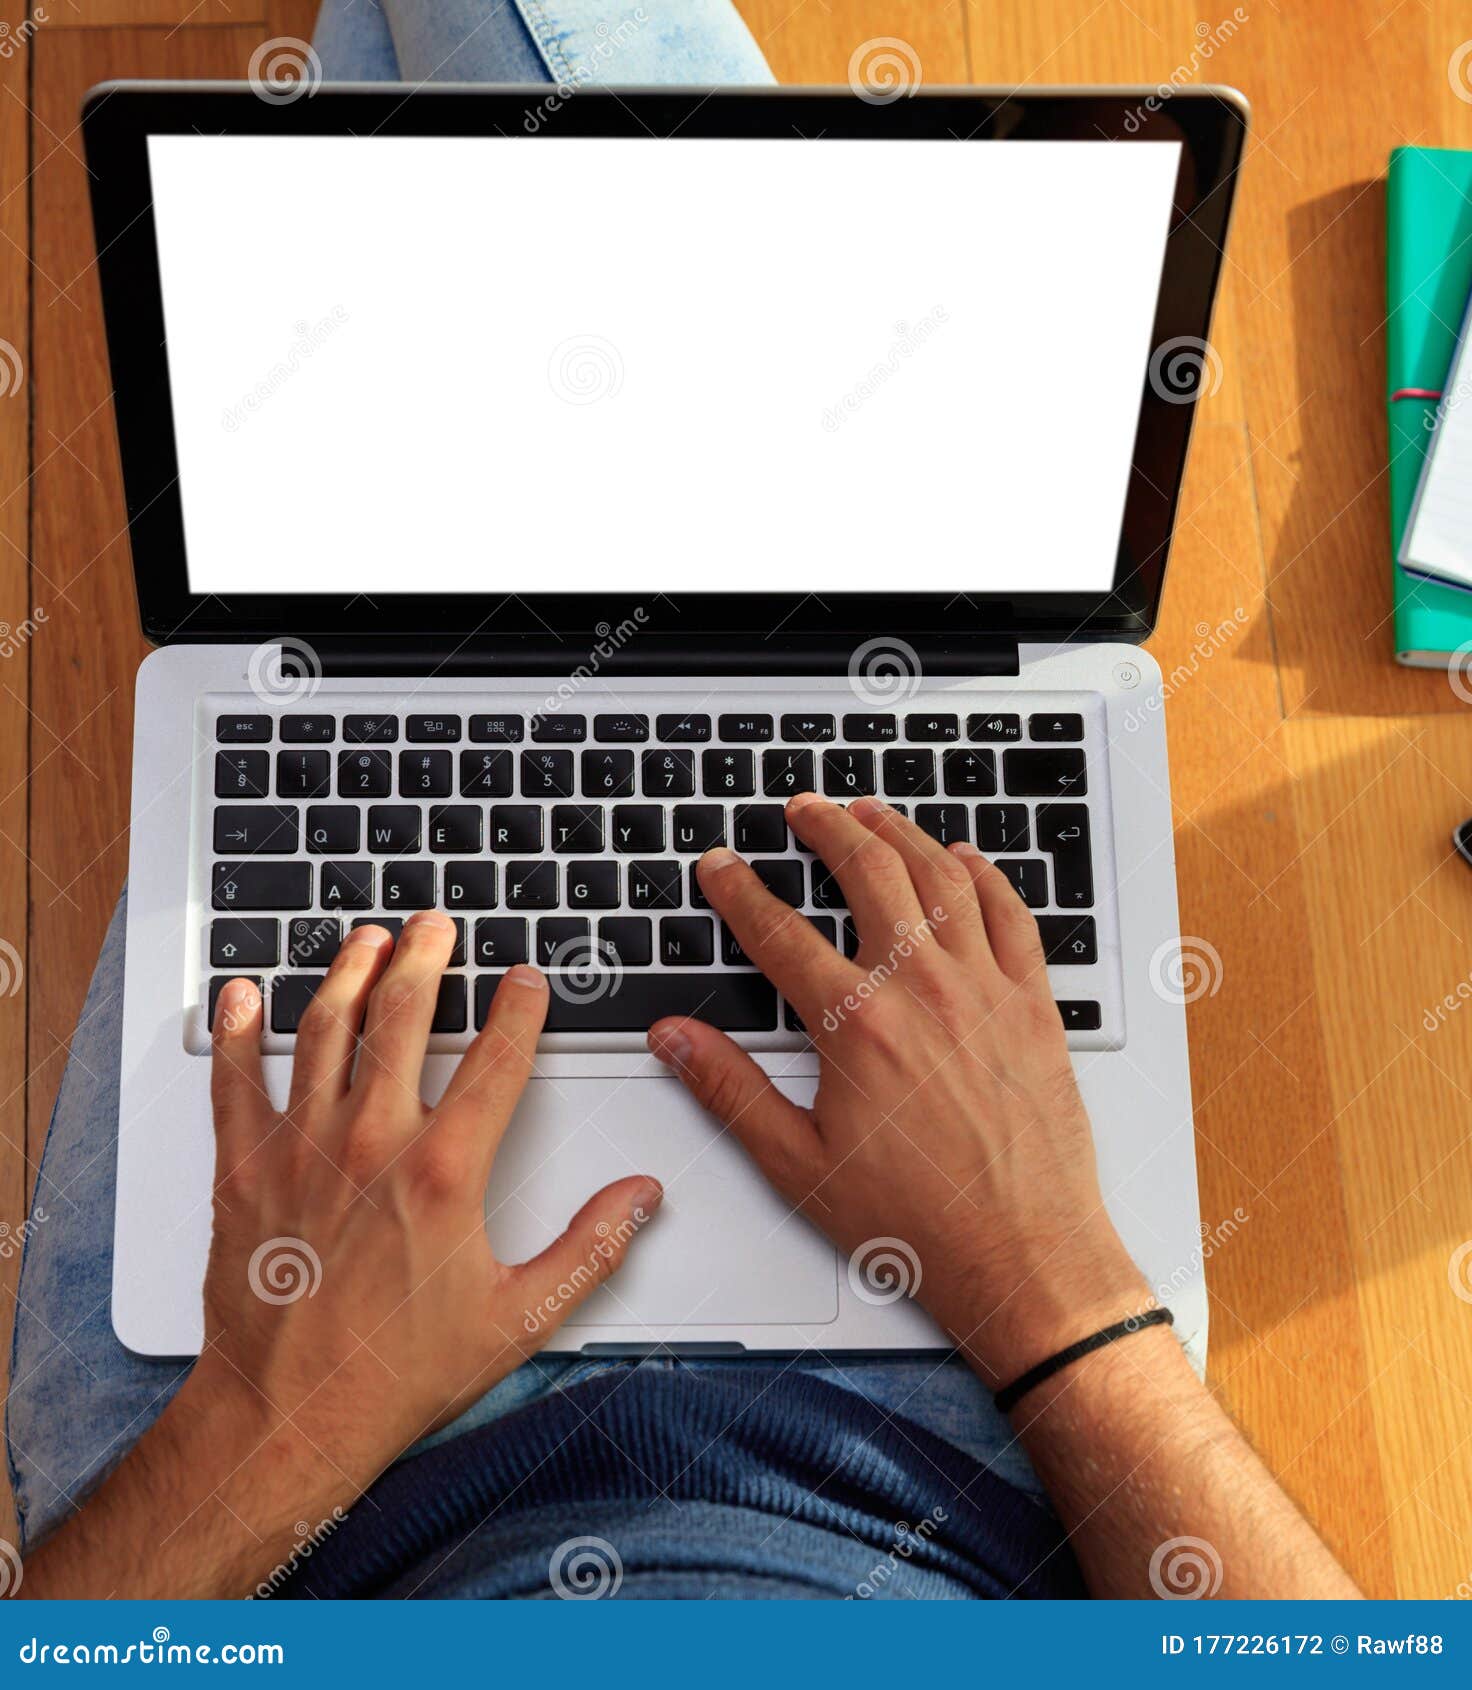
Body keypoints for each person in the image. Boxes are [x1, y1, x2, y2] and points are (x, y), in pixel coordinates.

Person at [4, 3, 1359, 1602]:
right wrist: (1049, 1281)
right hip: (982, 1435)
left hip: (285, 1503)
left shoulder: (269, 1425)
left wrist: (274, 1414)